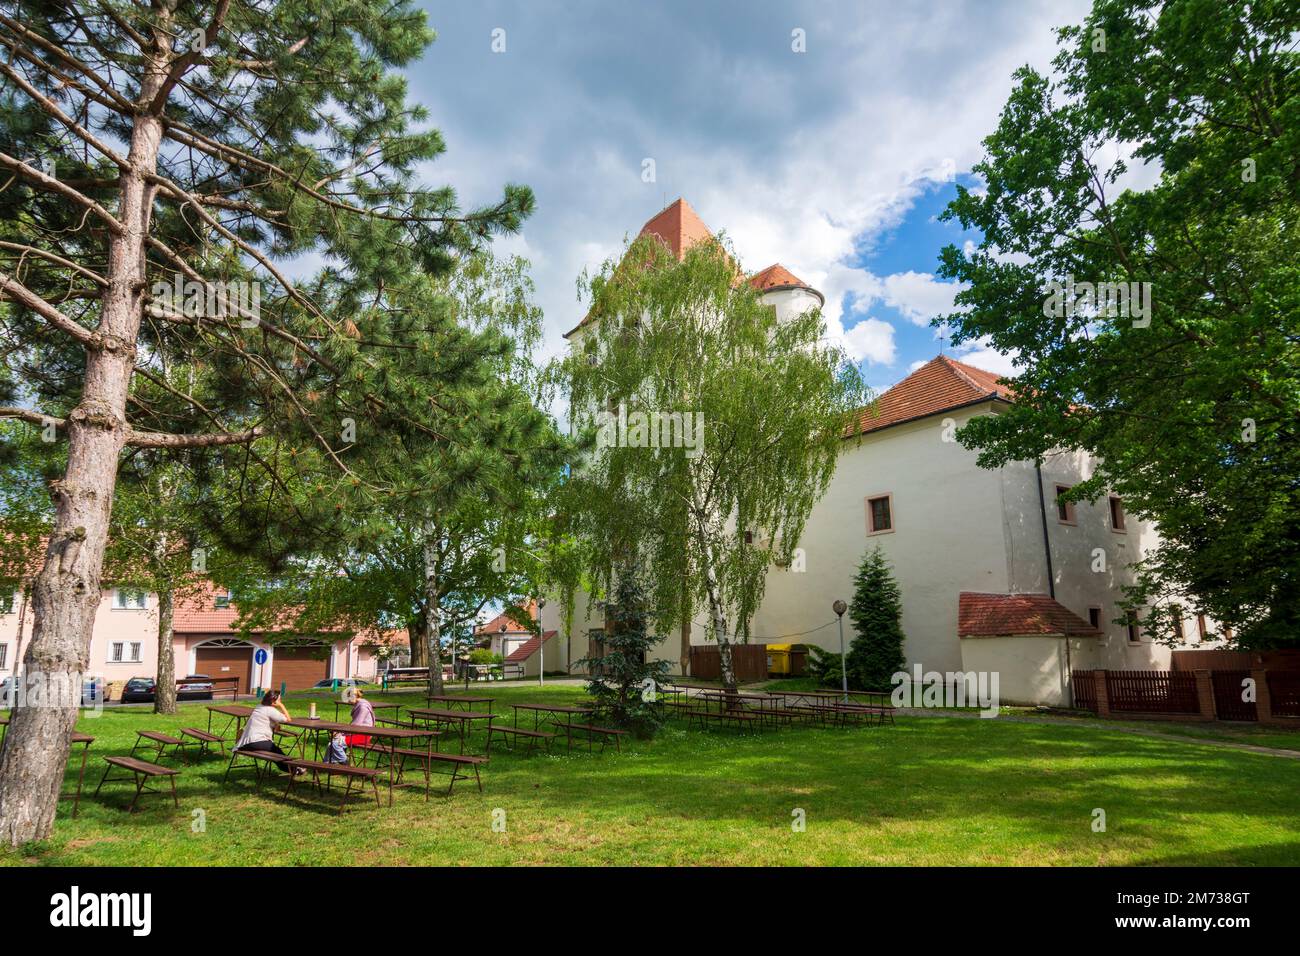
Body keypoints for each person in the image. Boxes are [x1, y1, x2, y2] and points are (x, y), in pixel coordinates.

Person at [235, 690, 303, 774]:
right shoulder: (270, 710)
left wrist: (275, 724)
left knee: (275, 751)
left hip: (245, 743)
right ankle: (294, 769)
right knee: (277, 752)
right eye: (279, 700)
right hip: (256, 741)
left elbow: (272, 724)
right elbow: (288, 719)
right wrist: (282, 706)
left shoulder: (259, 707)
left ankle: (294, 769)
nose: (280, 701)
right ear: (274, 701)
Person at [345, 686, 375, 752]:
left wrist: (343, 733)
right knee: (336, 741)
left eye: (348, 698)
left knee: (337, 742)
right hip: (359, 732)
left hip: (364, 735)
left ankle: (343, 761)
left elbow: (356, 725)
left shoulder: (362, 707)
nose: (347, 700)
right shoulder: (358, 704)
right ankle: (335, 761)